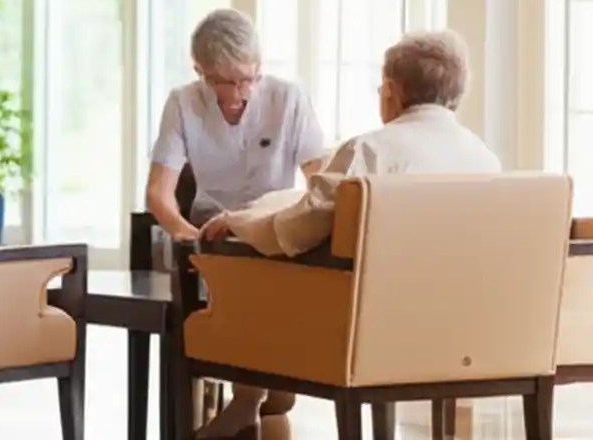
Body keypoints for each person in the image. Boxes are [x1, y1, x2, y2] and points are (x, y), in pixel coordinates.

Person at [193, 29, 500, 439]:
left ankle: (248, 401)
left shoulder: (369, 151)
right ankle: (252, 403)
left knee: (262, 260)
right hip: (461, 329)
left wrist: (238, 222)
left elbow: (293, 232)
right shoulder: (484, 159)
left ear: (391, 90)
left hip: (367, 332)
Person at [145, 9, 326, 440]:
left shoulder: (288, 98)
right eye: (227, 81)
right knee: (236, 265)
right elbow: (158, 193)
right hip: (214, 225)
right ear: (201, 72)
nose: (241, 92)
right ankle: (264, 389)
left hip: (272, 220)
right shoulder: (184, 103)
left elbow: (319, 181)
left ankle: (250, 397)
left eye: (250, 78)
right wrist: (186, 234)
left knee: (266, 260)